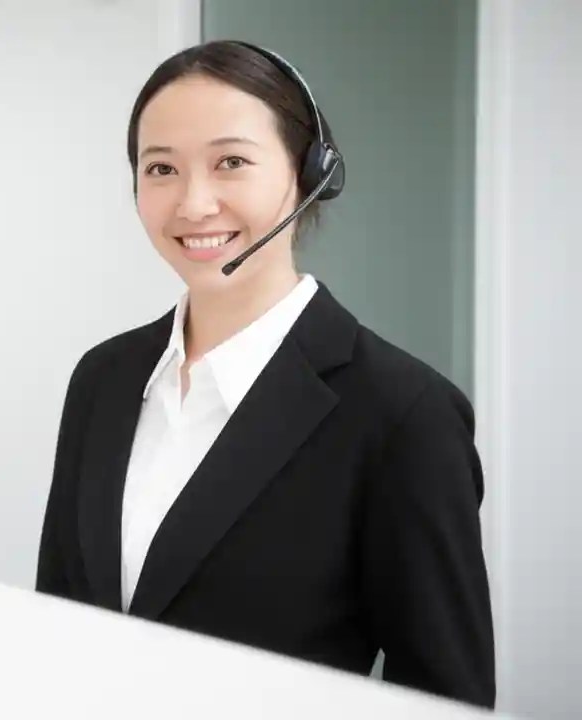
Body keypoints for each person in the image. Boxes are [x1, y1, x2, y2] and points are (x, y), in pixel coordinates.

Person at [35, 40, 495, 708]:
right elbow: (58, 617)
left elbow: (446, 696)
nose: (193, 204)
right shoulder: (102, 379)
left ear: (311, 175)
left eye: (231, 162)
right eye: (161, 168)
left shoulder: (403, 414)